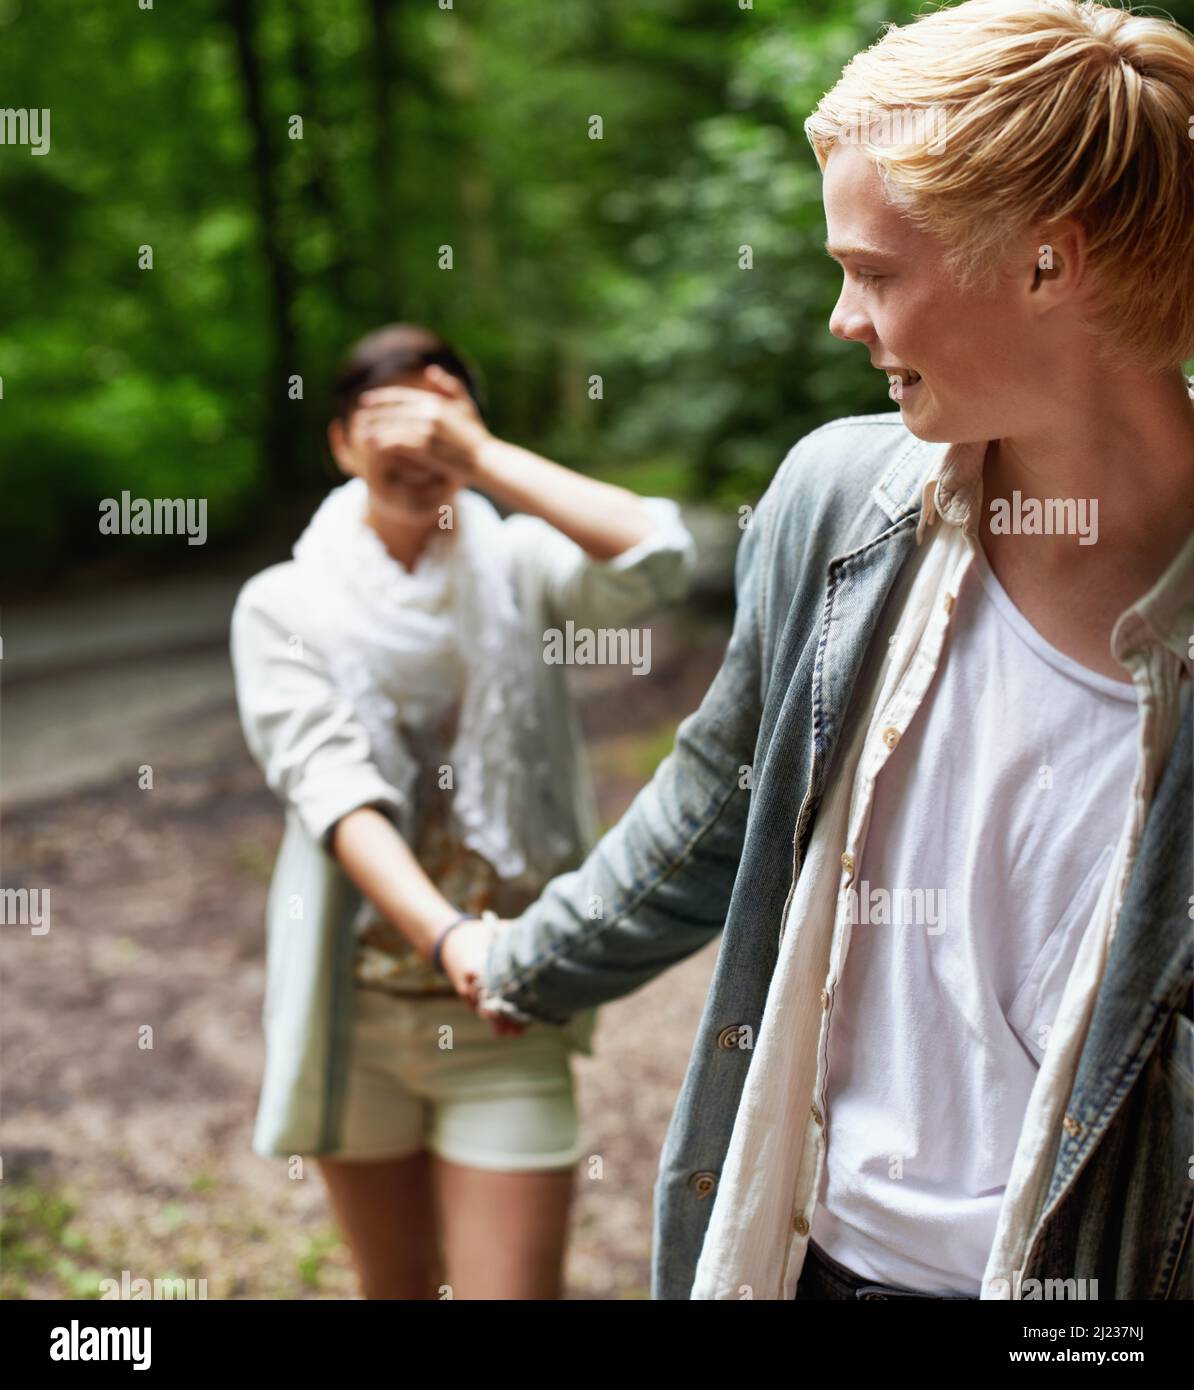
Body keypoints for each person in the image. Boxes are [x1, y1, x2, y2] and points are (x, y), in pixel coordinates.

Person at [441, 0, 1194, 1299]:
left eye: (877, 270)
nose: (843, 317)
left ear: (1045, 265)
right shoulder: (836, 499)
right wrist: (520, 959)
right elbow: (715, 804)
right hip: (806, 1258)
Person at [230, 323, 696, 1298]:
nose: (411, 447)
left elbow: (661, 559)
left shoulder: (520, 566)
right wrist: (450, 940)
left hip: (505, 1013)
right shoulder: (284, 604)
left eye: (435, 416)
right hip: (360, 1016)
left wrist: (480, 457)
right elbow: (334, 790)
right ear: (339, 442)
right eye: (383, 419)